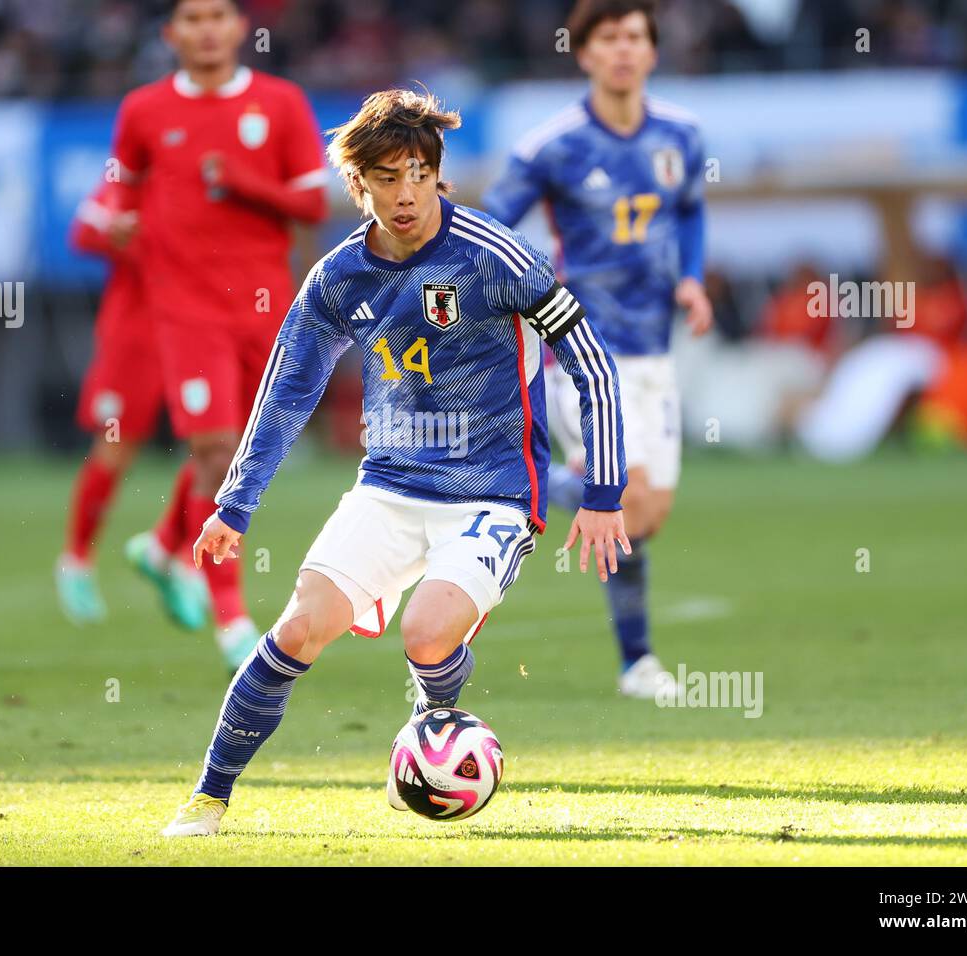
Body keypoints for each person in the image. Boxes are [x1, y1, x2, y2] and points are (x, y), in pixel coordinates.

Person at [161, 87, 629, 838]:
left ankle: (432, 715)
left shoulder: (494, 255)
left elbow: (593, 365)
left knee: (426, 632)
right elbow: (285, 394)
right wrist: (234, 505)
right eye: (385, 177)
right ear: (360, 184)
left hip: (493, 493)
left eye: (417, 172)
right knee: (297, 630)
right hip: (388, 487)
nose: (405, 193)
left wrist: (603, 492)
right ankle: (208, 798)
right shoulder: (338, 278)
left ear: (437, 173)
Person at [483, 0, 711, 698]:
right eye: (608, 38)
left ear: (651, 50)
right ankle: (638, 663)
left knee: (646, 516)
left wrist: (693, 281)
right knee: (627, 494)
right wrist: (519, 295)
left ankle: (537, 483)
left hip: (653, 352)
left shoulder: (682, 136)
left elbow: (692, 210)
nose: (623, 50)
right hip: (580, 354)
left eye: (635, 37)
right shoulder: (551, 146)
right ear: (582, 53)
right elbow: (491, 224)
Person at [108, 0, 330, 670]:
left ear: (239, 28)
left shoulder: (281, 103)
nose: (206, 29)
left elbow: (313, 204)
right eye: (192, 18)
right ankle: (231, 615)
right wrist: (119, 222)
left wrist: (241, 182)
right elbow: (121, 190)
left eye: (218, 16)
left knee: (239, 449)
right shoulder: (143, 111)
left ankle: (161, 544)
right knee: (214, 445)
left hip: (263, 309)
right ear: (171, 33)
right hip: (184, 309)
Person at [55, 178, 210, 631]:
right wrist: (123, 230)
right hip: (137, 337)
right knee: (117, 446)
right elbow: (84, 231)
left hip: (200, 332)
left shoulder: (211, 178)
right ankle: (77, 561)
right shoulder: (135, 176)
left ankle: (177, 555)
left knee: (216, 447)